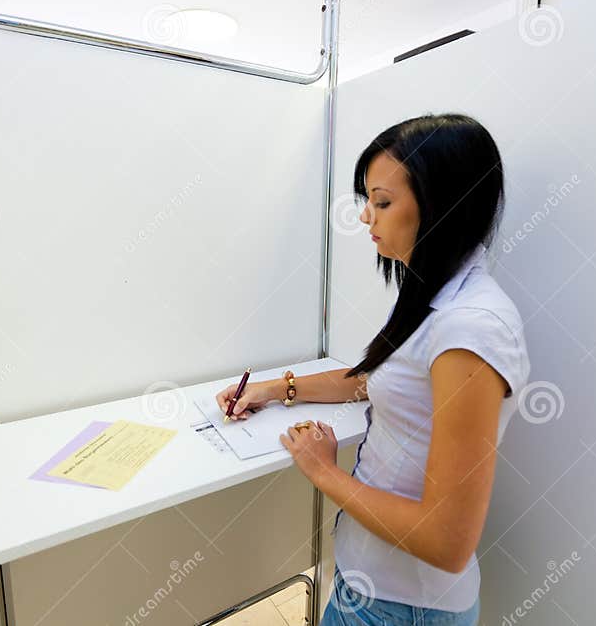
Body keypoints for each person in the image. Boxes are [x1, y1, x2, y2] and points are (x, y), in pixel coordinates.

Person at [216, 113, 530, 625]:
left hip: (402, 604)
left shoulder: (470, 328)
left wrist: (322, 469)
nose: (366, 218)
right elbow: (378, 377)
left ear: (442, 206)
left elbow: (447, 540)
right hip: (371, 581)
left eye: (382, 202)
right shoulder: (429, 294)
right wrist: (276, 389)